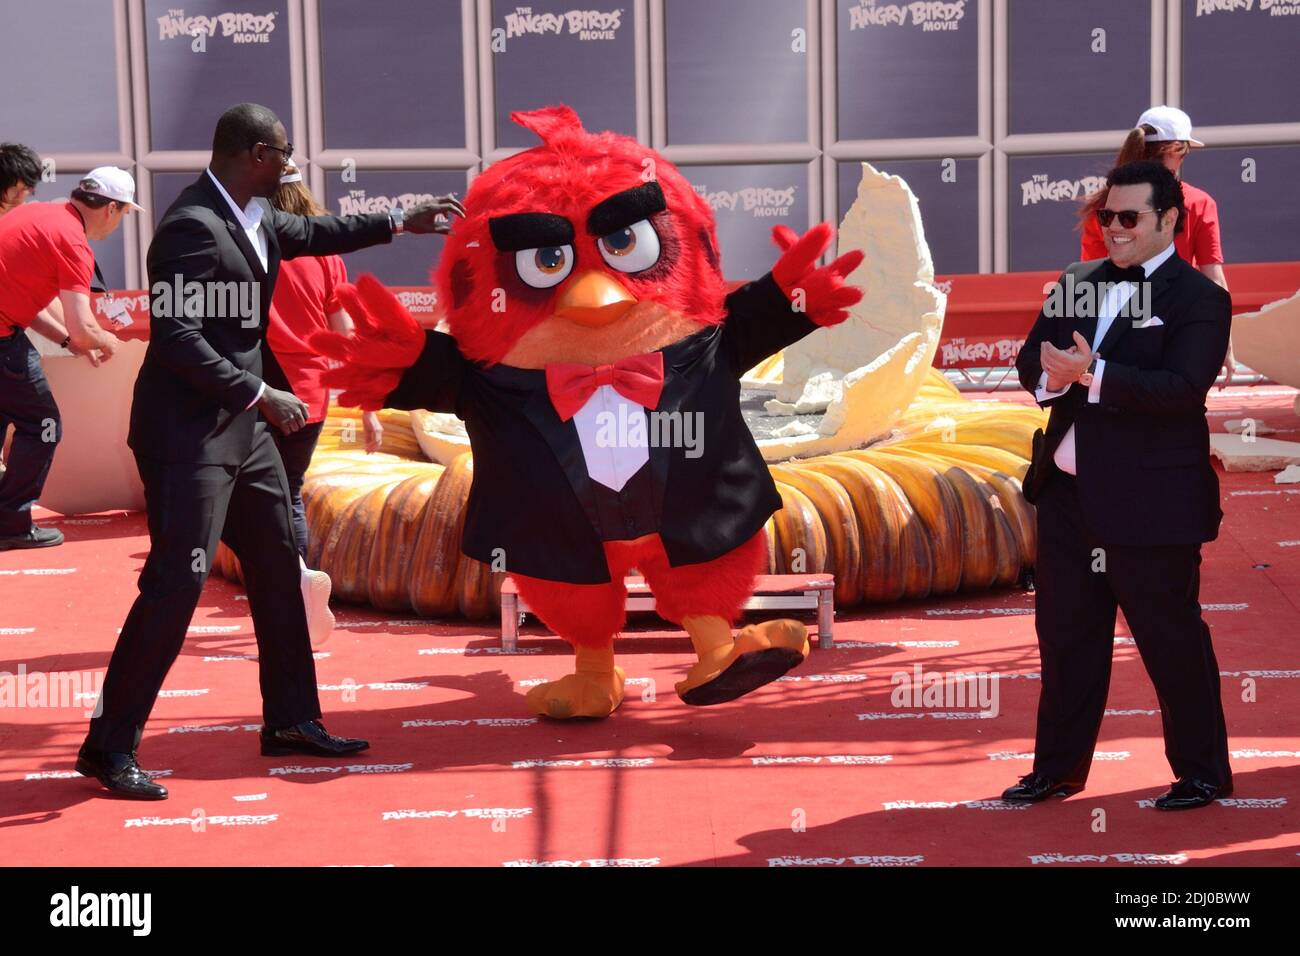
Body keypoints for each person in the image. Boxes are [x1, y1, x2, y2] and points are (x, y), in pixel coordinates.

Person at [77, 103, 465, 800]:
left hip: (243, 432)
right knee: (175, 585)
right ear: (255, 153)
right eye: (283, 154)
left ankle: (291, 720)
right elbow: (176, 338)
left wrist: (401, 222)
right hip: (186, 436)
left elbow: (319, 231)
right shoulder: (191, 227)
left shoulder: (257, 217)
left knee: (280, 567)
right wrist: (259, 393)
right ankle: (108, 748)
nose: (290, 166)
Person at [1007, 160, 1233, 811]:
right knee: (1068, 639)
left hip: (1151, 504)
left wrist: (1092, 373)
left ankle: (1202, 773)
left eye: (1129, 217)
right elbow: (1034, 361)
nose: (1115, 229)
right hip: (1068, 501)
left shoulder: (1199, 299)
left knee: (1170, 642)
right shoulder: (1077, 281)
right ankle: (1056, 771)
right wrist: (1053, 377)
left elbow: (1183, 389)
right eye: (1108, 216)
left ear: (1169, 220)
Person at [266, 161, 384, 642]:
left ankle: (292, 579)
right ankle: (297, 584)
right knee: (288, 491)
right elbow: (347, 338)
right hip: (311, 395)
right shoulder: (327, 253)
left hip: (258, 393)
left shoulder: (254, 245)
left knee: (253, 498)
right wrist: (369, 408)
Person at [0, 167, 130, 550]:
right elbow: (83, 326)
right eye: (123, 215)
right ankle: (11, 523)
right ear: (110, 209)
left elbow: (25, 302)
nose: (119, 224)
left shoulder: (36, 214)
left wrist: (67, 339)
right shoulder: (73, 242)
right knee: (43, 425)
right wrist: (108, 342)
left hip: (7, 331)